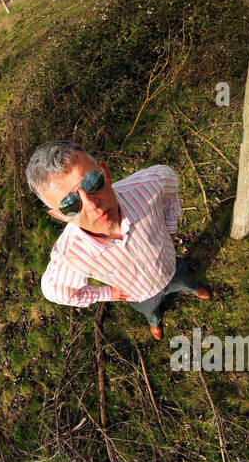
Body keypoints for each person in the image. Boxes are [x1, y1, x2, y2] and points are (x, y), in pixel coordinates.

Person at [27, 140, 211, 340]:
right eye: (69, 204)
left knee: (185, 282)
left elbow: (170, 187)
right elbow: (55, 291)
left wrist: (170, 231)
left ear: (105, 172)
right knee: (151, 311)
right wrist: (105, 294)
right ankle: (154, 322)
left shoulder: (150, 186)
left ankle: (193, 290)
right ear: (61, 216)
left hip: (170, 268)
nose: (92, 206)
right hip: (140, 295)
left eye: (92, 183)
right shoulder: (70, 257)